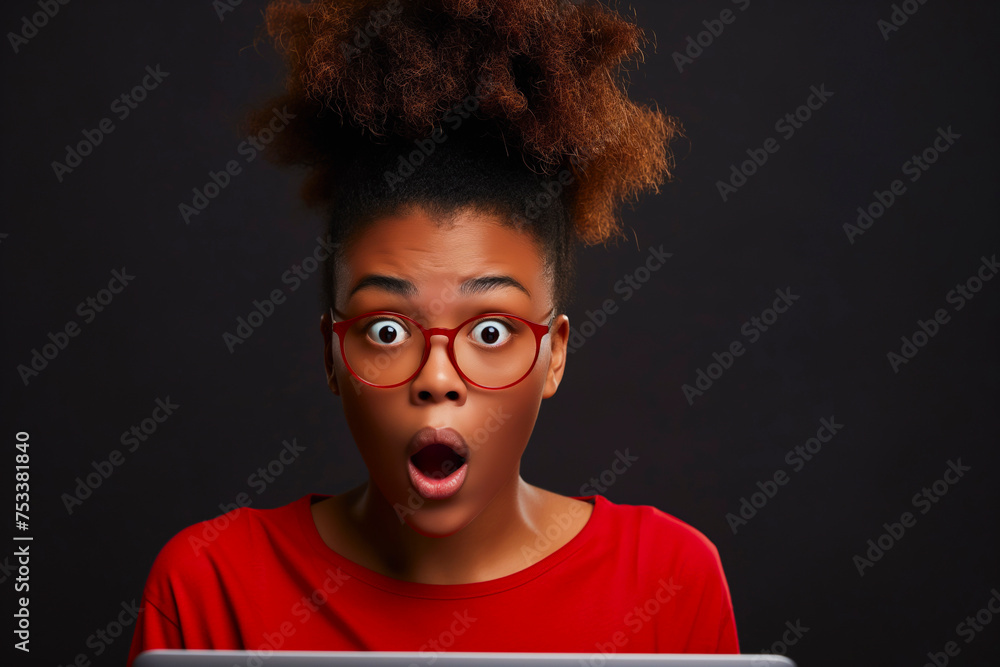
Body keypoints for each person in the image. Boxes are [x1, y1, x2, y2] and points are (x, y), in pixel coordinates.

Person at [127, 0, 738, 662]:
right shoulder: (212, 586)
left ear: (555, 354)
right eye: (387, 330)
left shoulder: (666, 579)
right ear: (332, 351)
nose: (438, 379)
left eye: (493, 332)